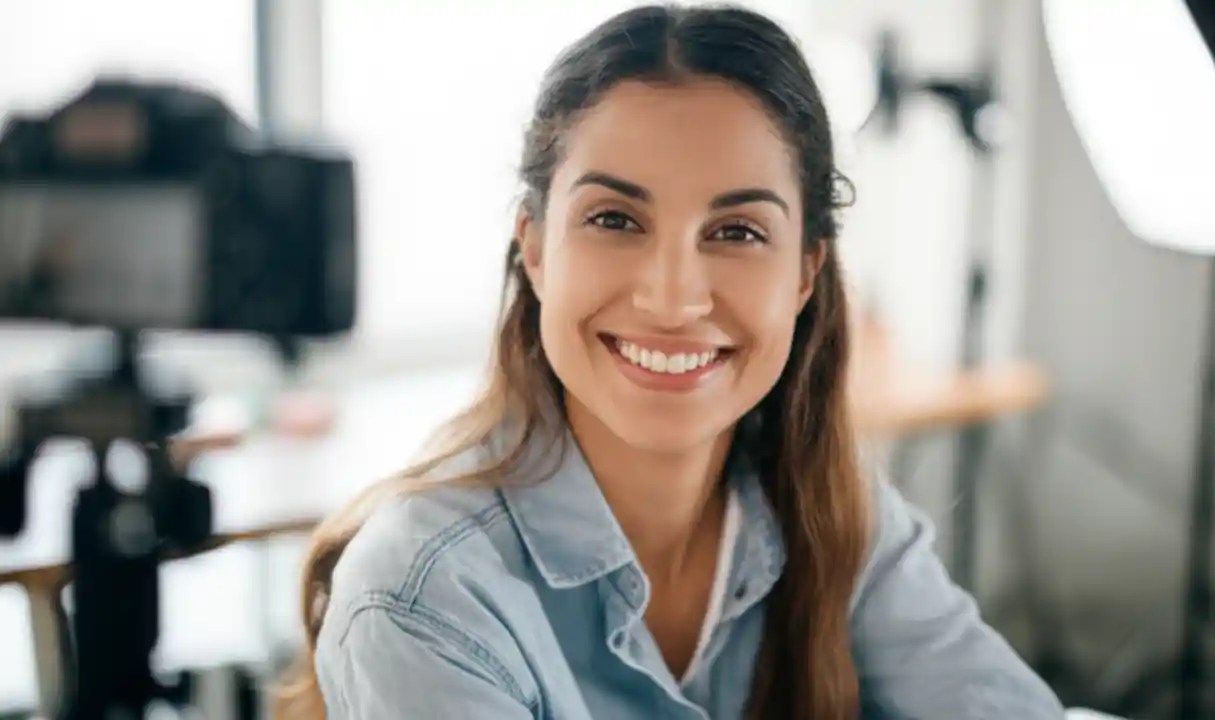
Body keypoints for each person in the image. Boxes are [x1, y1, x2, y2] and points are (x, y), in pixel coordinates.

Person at [275, 5, 1065, 718]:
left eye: (737, 232)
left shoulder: (835, 514)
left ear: (805, 273)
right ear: (536, 250)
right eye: (615, 219)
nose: (672, 298)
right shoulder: (422, 594)